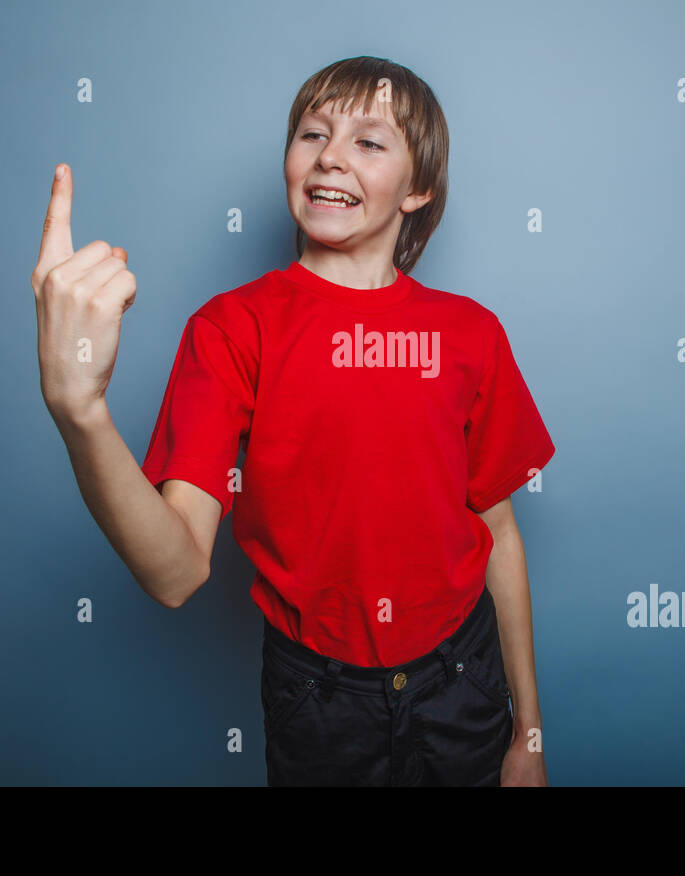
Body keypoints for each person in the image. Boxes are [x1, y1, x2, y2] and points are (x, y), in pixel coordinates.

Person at [31, 56, 555, 786]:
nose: (330, 156)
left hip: (462, 679)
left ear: (420, 187)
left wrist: (527, 733)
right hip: (319, 701)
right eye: (312, 134)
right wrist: (79, 412)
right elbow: (177, 572)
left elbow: (497, 531)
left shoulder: (471, 334)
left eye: (369, 142)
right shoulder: (230, 330)